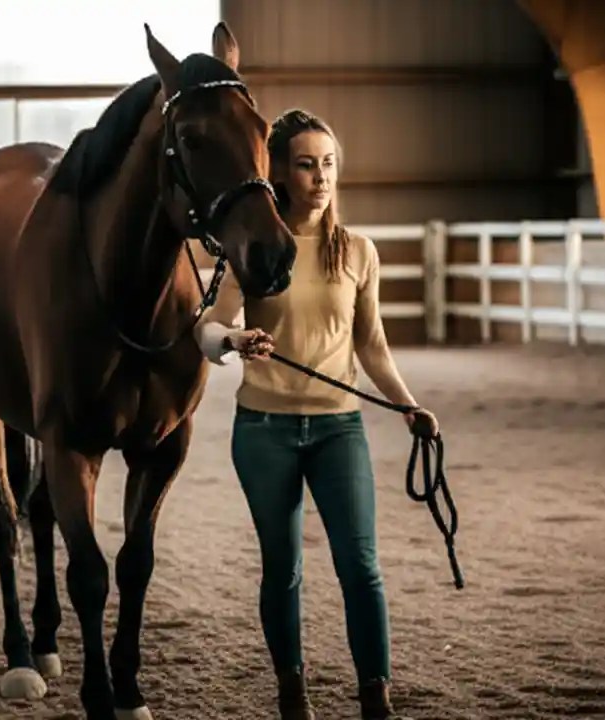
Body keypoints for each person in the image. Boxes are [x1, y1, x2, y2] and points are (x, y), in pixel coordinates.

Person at [194, 108, 440, 720]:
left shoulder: (358, 252)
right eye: (306, 164)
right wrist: (233, 341)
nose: (320, 176)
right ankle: (292, 691)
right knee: (283, 569)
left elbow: (372, 345)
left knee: (361, 566)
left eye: (328, 163)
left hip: (339, 427)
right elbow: (207, 326)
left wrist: (409, 407)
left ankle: (375, 696)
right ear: (278, 172)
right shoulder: (249, 246)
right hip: (263, 430)